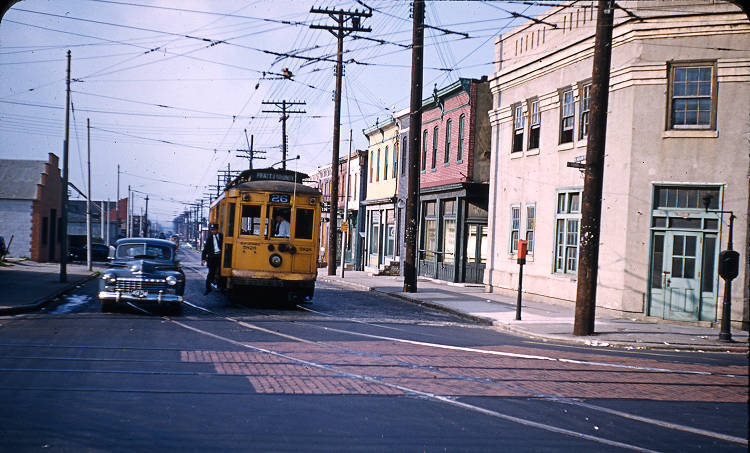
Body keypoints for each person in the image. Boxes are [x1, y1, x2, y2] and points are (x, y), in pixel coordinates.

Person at [201, 224, 222, 295]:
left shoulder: (222, 237)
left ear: (217, 230)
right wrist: (203, 259)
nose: (213, 231)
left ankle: (219, 286)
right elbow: (205, 249)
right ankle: (208, 288)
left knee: (221, 272)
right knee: (211, 273)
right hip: (212, 258)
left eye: (214, 230)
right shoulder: (209, 238)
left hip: (220, 257)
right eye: (212, 230)